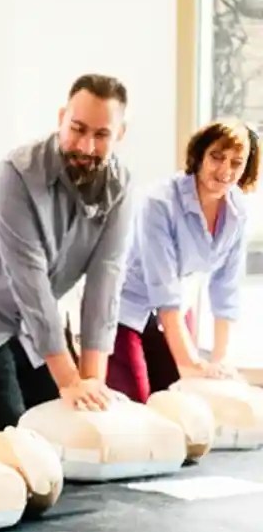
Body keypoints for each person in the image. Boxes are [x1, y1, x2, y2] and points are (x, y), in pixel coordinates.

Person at [0, 74, 133, 446]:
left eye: (101, 135)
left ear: (120, 134)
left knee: (53, 425)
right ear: (61, 117)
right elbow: (28, 280)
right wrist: (69, 380)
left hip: (33, 314)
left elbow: (105, 282)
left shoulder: (121, 187)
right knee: (11, 435)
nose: (86, 145)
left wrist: (91, 382)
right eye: (77, 129)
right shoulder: (16, 174)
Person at [107, 119, 258, 402]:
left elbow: (225, 290)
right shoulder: (159, 202)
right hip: (127, 306)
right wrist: (189, 364)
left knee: (182, 401)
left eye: (236, 162)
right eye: (217, 157)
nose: (225, 170)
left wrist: (219, 360)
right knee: (138, 400)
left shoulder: (237, 212)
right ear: (200, 155)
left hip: (175, 308)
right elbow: (163, 289)